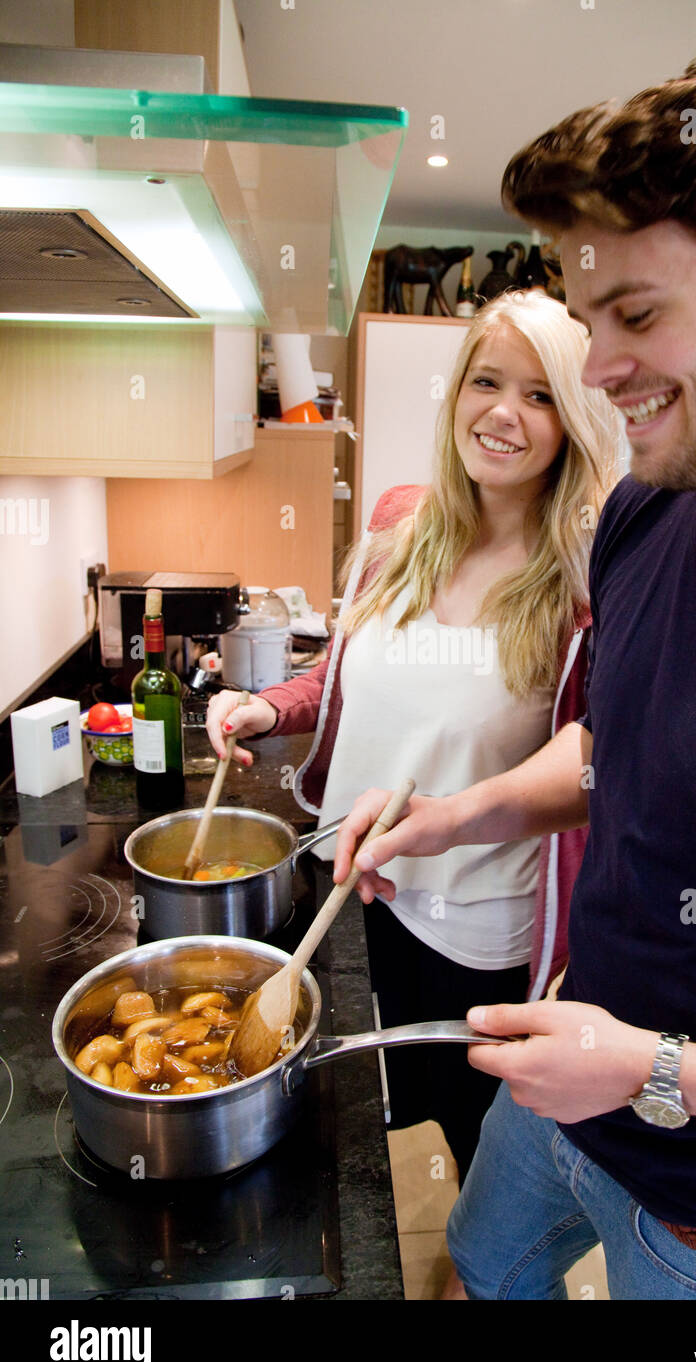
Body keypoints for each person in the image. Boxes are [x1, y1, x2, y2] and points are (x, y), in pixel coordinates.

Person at [329, 49, 696, 1300]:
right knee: (466, 1278)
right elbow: (622, 742)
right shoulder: (646, 512)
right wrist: (457, 811)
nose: (599, 368)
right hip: (569, 1085)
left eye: (636, 315)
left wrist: (651, 1069)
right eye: (591, 324)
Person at [205, 288, 621, 1183]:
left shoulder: (582, 584)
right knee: (367, 1111)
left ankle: (474, 1270)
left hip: (475, 922)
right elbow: (348, 675)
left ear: (574, 419)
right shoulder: (400, 519)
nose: (504, 413)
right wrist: (271, 706)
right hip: (352, 884)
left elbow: (600, 762)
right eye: (486, 382)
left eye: (541, 394)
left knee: (472, 1141)